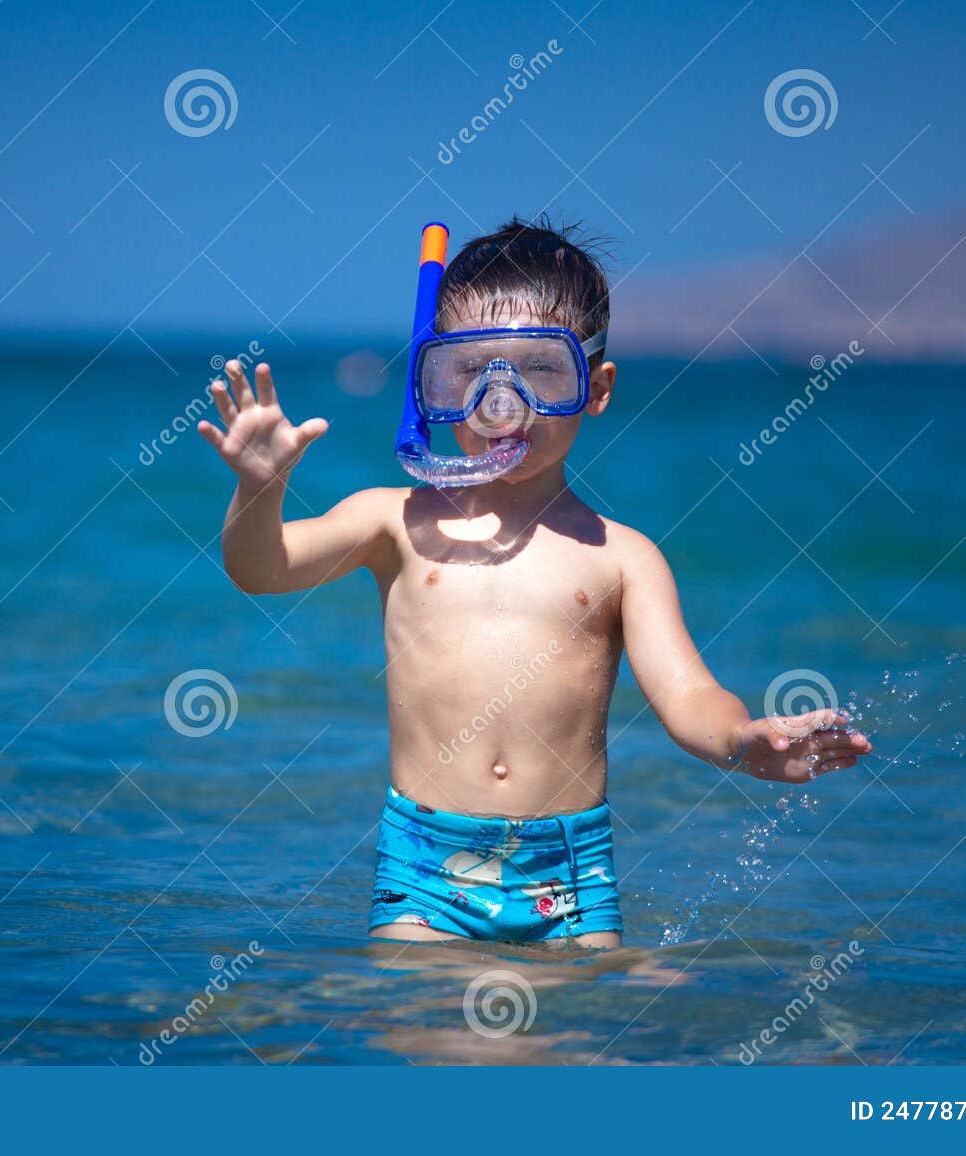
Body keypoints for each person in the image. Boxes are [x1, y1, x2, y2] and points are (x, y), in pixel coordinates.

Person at [197, 218, 872, 947]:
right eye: (471, 370)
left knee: (596, 1043)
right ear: (434, 383)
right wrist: (260, 491)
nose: (499, 401)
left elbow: (688, 698)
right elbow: (258, 571)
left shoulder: (622, 557)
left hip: (573, 874)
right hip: (426, 870)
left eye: (538, 370)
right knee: (427, 1042)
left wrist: (742, 740)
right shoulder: (391, 522)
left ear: (597, 387)